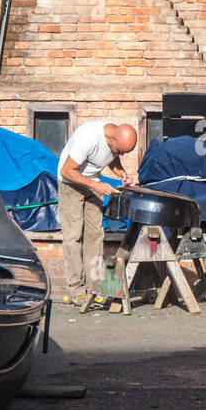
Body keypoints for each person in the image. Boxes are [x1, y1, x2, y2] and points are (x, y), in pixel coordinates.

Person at [57, 120, 138, 304]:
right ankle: (76, 289)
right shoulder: (88, 138)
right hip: (70, 184)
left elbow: (112, 157)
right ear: (112, 138)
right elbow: (67, 171)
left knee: (95, 234)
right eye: (122, 151)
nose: (123, 154)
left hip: (93, 184)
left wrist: (121, 174)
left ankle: (94, 287)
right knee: (74, 235)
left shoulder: (113, 141)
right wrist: (96, 185)